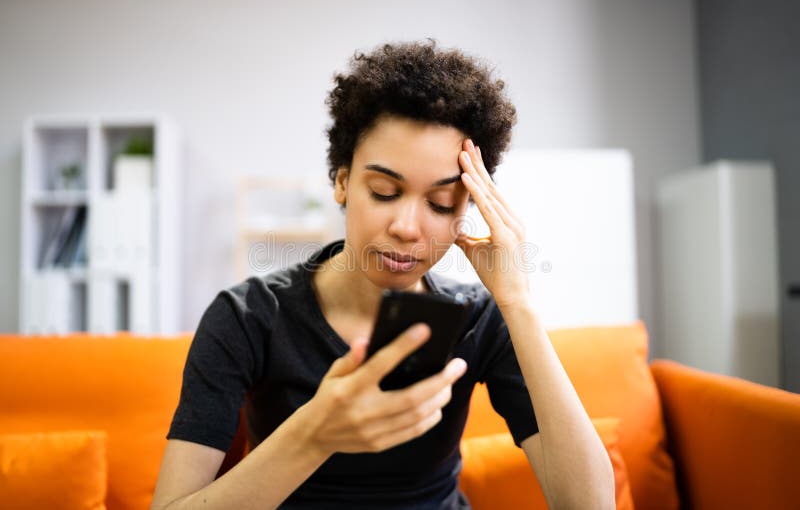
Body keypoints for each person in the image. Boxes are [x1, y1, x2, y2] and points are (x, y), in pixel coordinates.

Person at [151, 39, 614, 510]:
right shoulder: (248, 316)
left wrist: (519, 305)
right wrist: (314, 436)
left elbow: (591, 506)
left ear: (466, 213)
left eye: (439, 203)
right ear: (341, 181)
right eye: (384, 191)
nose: (407, 228)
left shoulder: (478, 319)